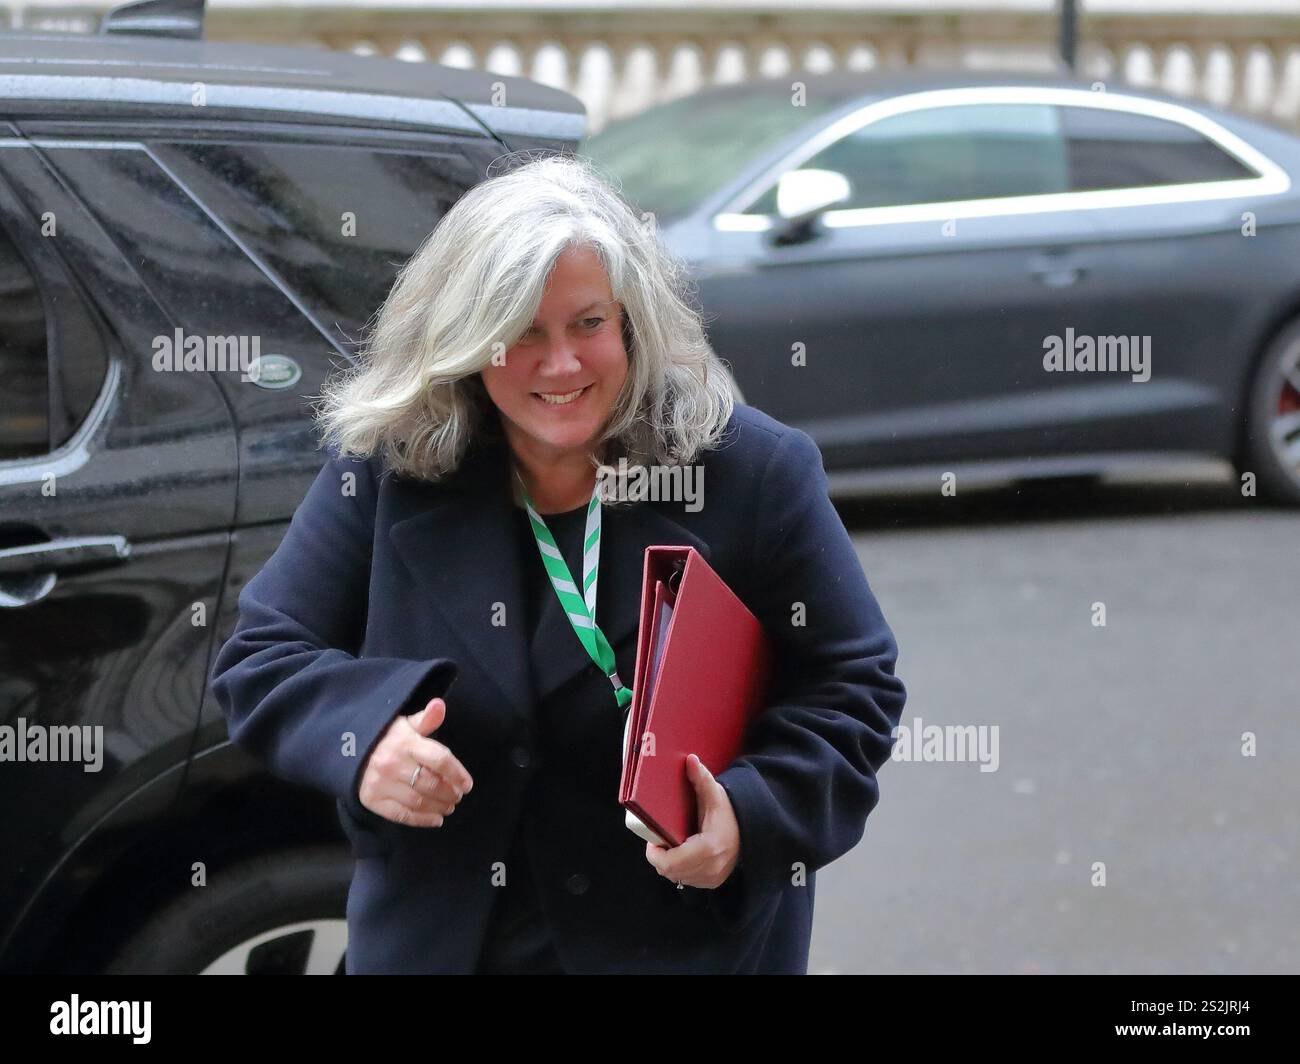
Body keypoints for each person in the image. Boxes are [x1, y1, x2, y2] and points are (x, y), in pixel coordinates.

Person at [209, 152, 906, 974]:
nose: (562, 365)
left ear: (632, 324)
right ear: (466, 341)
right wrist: (366, 741)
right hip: (445, 944)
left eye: (588, 324)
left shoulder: (750, 473)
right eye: (520, 334)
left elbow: (852, 689)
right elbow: (262, 661)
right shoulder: (385, 469)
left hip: (676, 945)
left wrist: (746, 817)